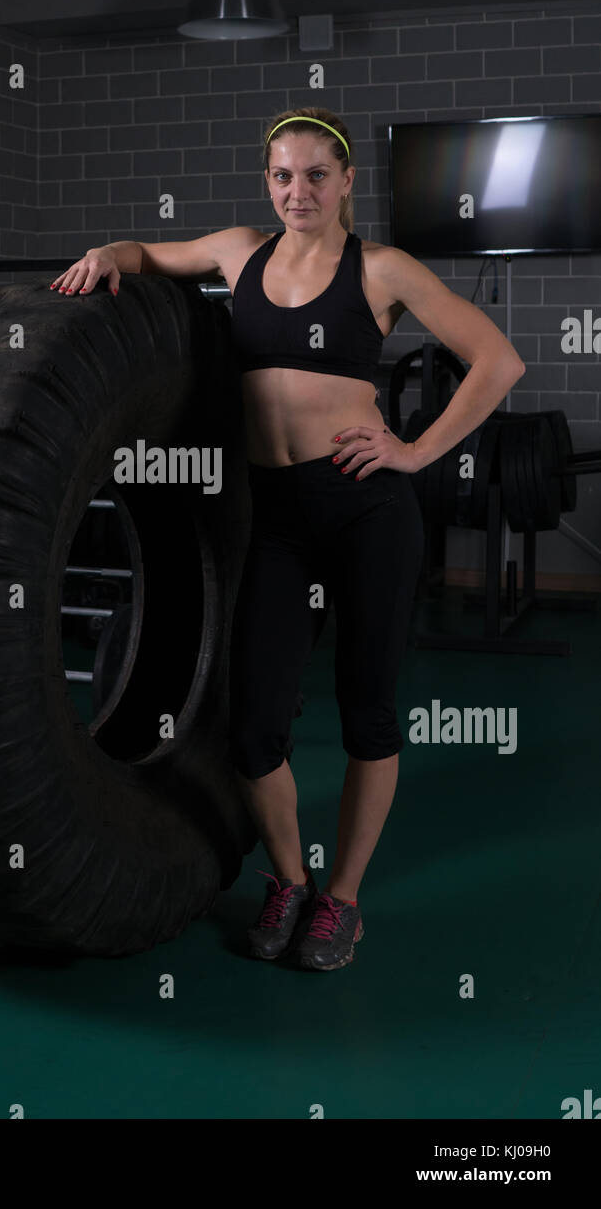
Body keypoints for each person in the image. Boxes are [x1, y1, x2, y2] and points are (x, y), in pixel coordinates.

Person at [50, 105, 525, 972]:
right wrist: (106, 256)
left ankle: (341, 901)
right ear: (266, 183)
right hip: (277, 520)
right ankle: (288, 879)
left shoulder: (381, 269)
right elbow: (150, 256)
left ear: (346, 182)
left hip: (367, 512)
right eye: (282, 175)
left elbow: (498, 358)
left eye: (315, 174)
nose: (297, 190)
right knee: (254, 723)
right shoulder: (241, 251)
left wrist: (413, 452)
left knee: (367, 713)